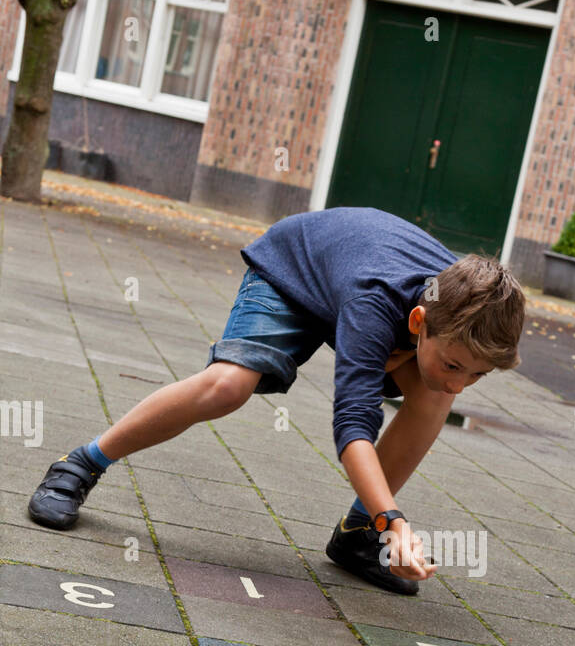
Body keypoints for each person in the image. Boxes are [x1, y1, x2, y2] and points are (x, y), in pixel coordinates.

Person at [27, 206, 525, 595]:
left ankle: (356, 534)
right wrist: (394, 521)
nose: (462, 384)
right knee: (227, 387)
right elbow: (352, 428)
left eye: (477, 375)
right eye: (455, 365)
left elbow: (430, 371)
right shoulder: (376, 303)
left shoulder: (467, 311)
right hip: (293, 270)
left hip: (351, 284)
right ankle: (80, 463)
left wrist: (425, 371)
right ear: (419, 322)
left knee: (434, 397)